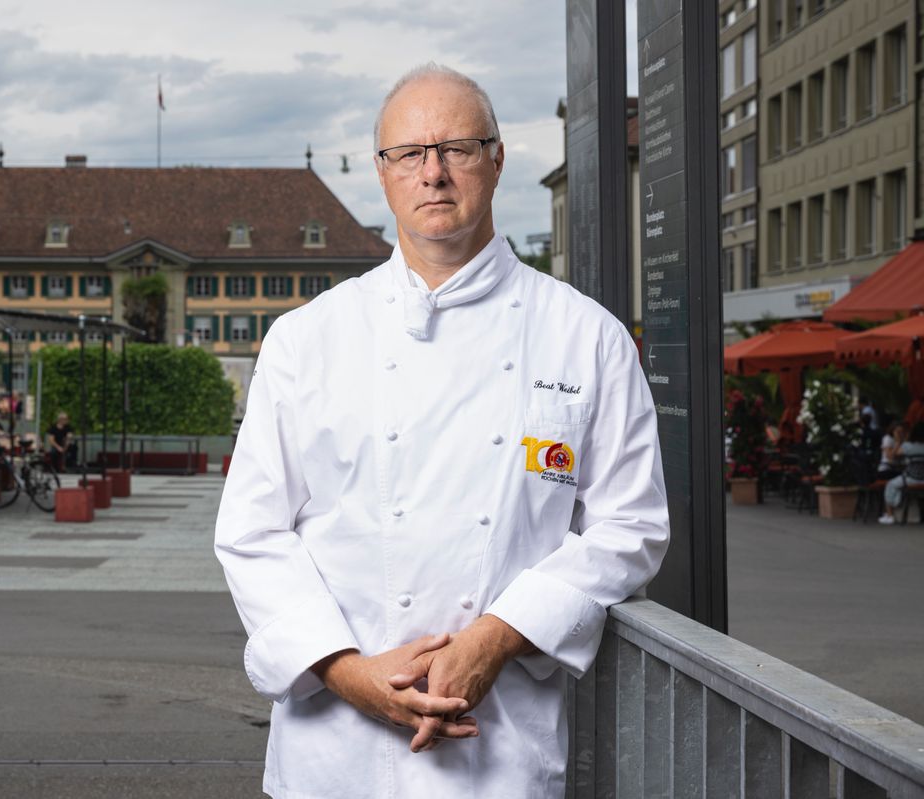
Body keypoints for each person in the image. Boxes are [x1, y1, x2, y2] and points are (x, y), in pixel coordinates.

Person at [215, 64, 670, 798]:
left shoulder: (587, 338)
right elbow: (252, 532)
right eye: (409, 154)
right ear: (383, 173)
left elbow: (633, 527)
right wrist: (346, 670)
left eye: (457, 147)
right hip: (333, 751)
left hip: (499, 751)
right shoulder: (307, 340)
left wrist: (497, 635)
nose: (433, 172)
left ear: (495, 158)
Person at [878, 421, 924, 523]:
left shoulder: (908, 446)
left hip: (911, 478)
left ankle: (890, 514)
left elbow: (893, 456)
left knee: (890, 484)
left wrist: (900, 441)